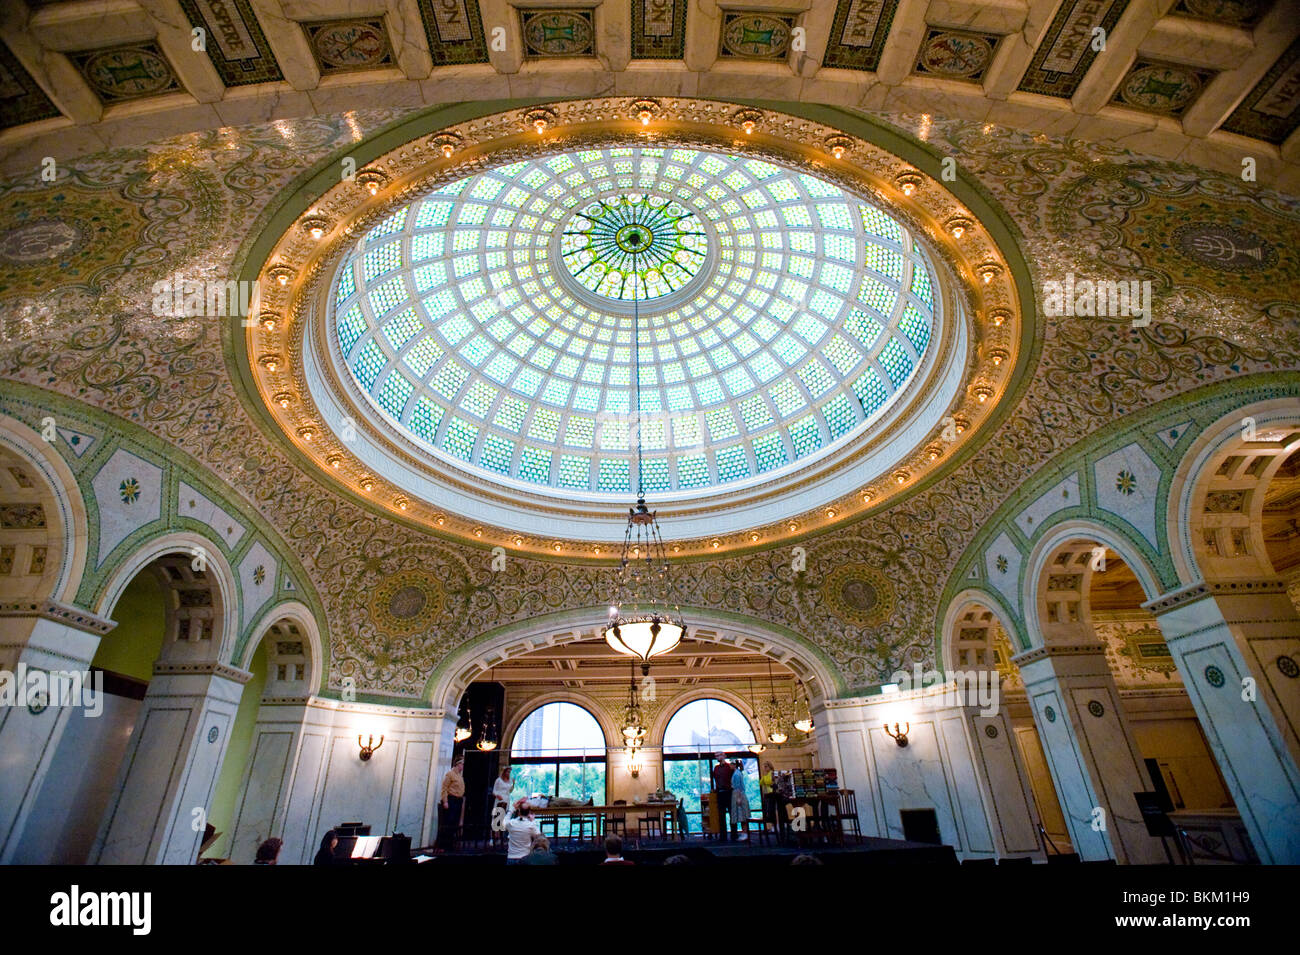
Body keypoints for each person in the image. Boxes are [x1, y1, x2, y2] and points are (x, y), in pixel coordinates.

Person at [435, 757, 465, 852]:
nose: (463, 766)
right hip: (451, 800)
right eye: (462, 764)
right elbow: (444, 788)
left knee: (454, 823)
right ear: (457, 764)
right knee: (448, 822)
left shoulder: (460, 776)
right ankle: (443, 845)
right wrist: (445, 801)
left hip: (458, 800)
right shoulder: (450, 774)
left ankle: (450, 845)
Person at [504, 798, 541, 865]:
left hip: (511, 858)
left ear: (519, 811)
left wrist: (512, 809)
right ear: (529, 812)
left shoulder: (511, 823)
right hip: (525, 857)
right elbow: (538, 835)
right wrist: (533, 821)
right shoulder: (530, 825)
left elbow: (504, 822)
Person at [711, 753, 734, 840]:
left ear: (724, 756)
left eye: (719, 755)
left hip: (729, 792)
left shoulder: (729, 767)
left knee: (732, 813)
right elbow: (715, 779)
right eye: (716, 756)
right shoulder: (716, 768)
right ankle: (723, 835)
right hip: (720, 792)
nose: (717, 757)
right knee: (721, 815)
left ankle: (733, 834)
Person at [491, 766, 514, 840]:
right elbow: (494, 791)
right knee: (496, 818)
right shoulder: (498, 780)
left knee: (503, 818)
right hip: (499, 800)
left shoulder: (510, 780)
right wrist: (497, 795)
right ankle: (493, 837)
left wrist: (513, 784)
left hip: (506, 800)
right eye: (507, 772)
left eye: (509, 772)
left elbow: (510, 791)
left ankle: (501, 837)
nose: (508, 773)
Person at [731, 759, 750, 837]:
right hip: (737, 794)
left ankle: (745, 833)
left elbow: (738, 787)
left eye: (731, 764)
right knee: (741, 815)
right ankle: (744, 833)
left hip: (738, 794)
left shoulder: (737, 774)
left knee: (742, 815)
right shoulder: (737, 773)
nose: (730, 766)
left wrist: (738, 798)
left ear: (734, 765)